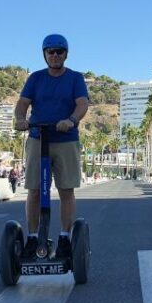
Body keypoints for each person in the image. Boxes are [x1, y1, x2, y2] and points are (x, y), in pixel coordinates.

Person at [14, 34, 89, 259]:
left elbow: (82, 103)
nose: (55, 55)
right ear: (44, 55)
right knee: (35, 191)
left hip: (66, 139)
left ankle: (65, 237)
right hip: (38, 137)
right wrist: (20, 119)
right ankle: (33, 236)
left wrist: (72, 120)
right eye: (50, 52)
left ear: (66, 54)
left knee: (66, 190)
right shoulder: (35, 78)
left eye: (59, 52)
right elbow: (22, 104)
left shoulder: (75, 78)